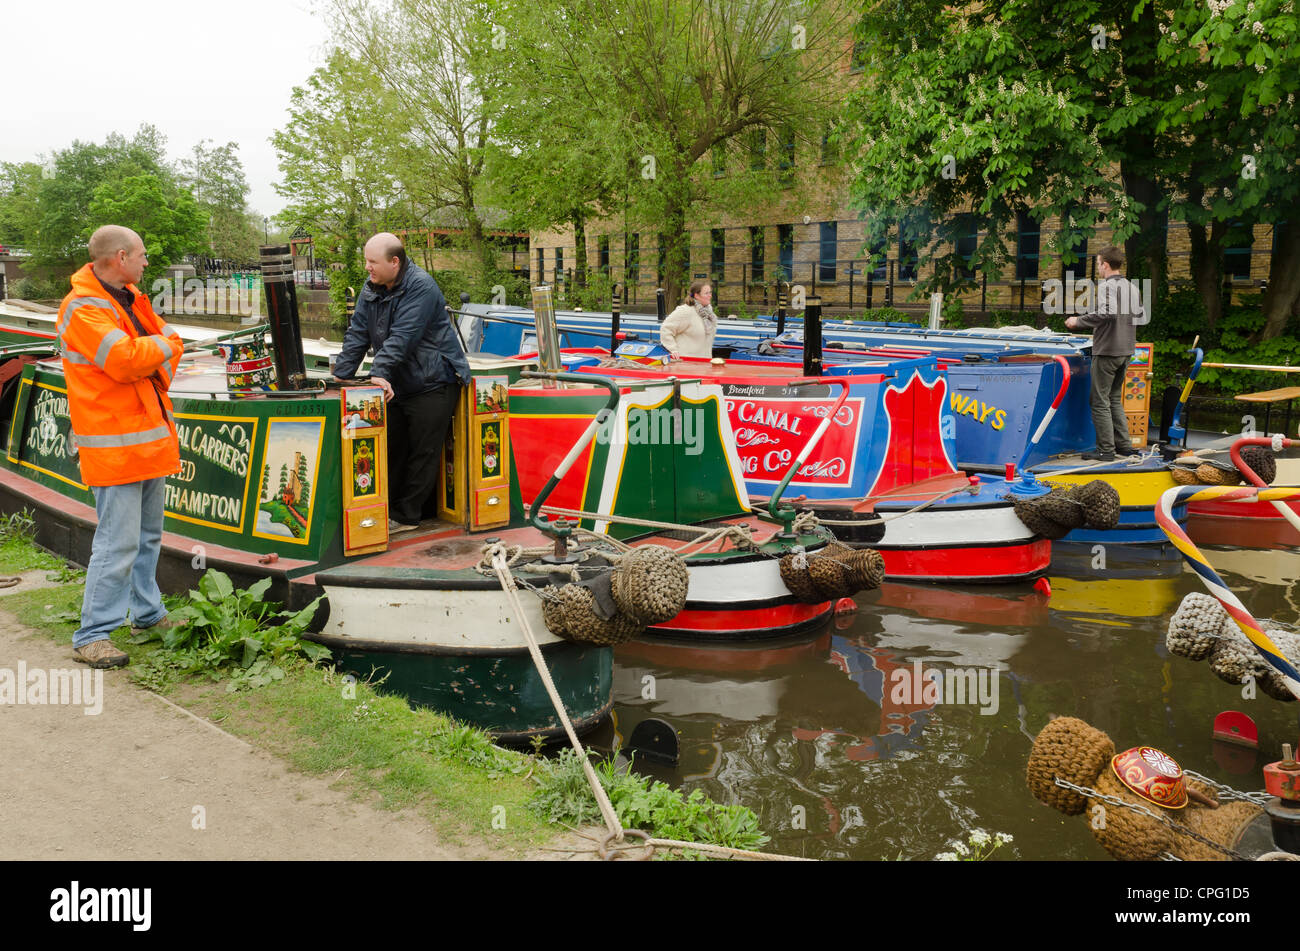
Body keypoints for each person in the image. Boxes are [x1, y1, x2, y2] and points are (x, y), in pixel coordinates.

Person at [59, 225, 184, 668]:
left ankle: (147, 615)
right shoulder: (82, 308)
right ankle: (92, 633)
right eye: (143, 255)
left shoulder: (130, 299)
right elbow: (124, 360)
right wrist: (158, 347)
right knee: (117, 543)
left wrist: (155, 347)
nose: (147, 262)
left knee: (148, 537)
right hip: (113, 446)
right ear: (120, 256)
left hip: (148, 439)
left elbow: (170, 345)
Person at [333, 233, 471, 532]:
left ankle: (407, 516)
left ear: (395, 262)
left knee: (423, 450)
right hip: (399, 381)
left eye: (373, 262)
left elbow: (403, 336)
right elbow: (358, 332)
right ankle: (387, 510)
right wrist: (341, 376)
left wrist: (379, 371)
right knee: (391, 446)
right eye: (366, 261)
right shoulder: (370, 288)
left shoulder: (421, 286)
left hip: (433, 379)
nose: (367, 267)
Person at [1066, 245, 1142, 461]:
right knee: (1114, 399)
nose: (1098, 268)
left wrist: (1077, 321)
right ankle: (1124, 447)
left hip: (1108, 351)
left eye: (1099, 264)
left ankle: (1106, 450)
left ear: (1105, 265)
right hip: (1126, 350)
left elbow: (1106, 313)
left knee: (1099, 401)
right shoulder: (1132, 287)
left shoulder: (1108, 287)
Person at [661, 280, 719, 360]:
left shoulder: (708, 313)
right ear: (697, 295)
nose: (710, 295)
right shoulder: (686, 311)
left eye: (710, 292)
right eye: (706, 293)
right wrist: (673, 349)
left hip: (704, 363)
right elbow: (666, 329)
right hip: (686, 363)